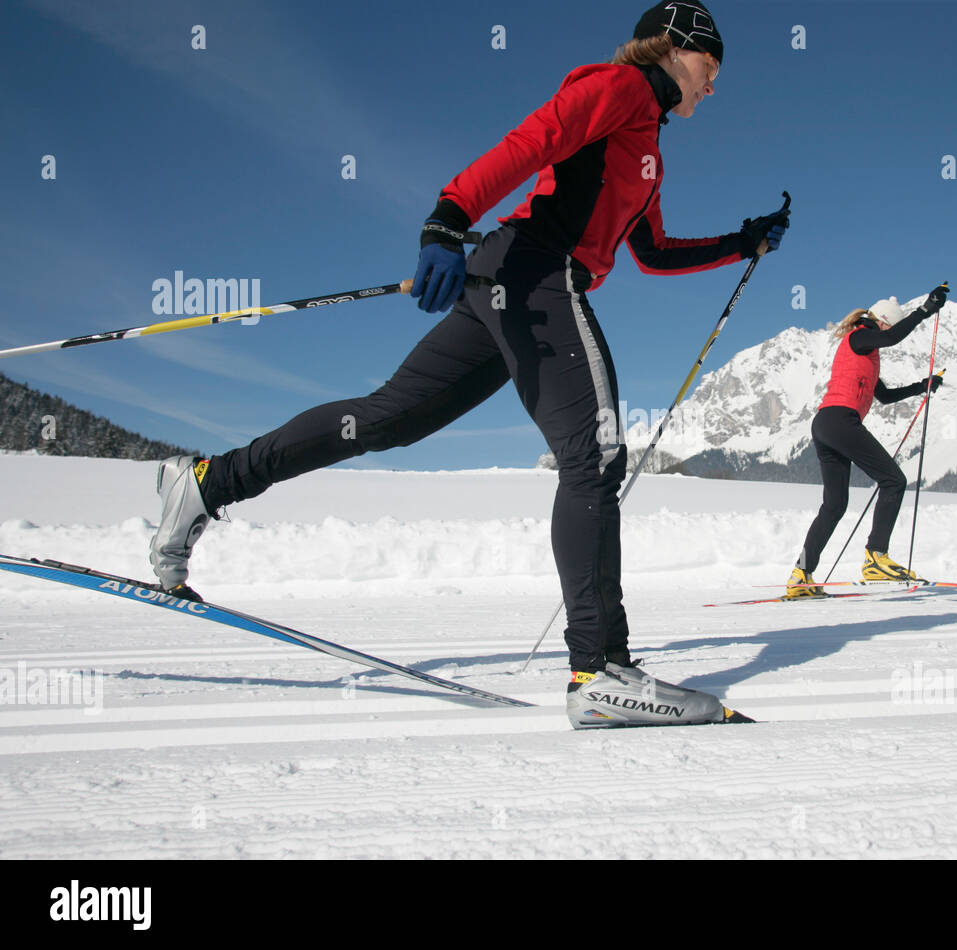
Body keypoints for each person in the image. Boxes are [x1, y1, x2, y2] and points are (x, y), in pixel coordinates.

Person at [148, 1, 784, 728]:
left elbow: (653, 251)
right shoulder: (622, 89)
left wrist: (745, 242)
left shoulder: (648, 146)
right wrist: (448, 216)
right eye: (712, 66)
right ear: (675, 47)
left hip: (508, 282)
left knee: (389, 418)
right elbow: (534, 140)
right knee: (595, 455)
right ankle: (602, 670)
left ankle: (205, 483)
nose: (714, 85)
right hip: (537, 274)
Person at [785, 285, 948, 598]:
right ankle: (876, 557)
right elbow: (891, 338)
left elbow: (883, 396)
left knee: (834, 505)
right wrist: (924, 311)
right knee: (893, 480)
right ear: (884, 321)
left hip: (825, 425)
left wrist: (922, 387)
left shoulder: (865, 351)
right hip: (840, 421)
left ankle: (801, 574)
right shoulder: (862, 335)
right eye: (891, 325)